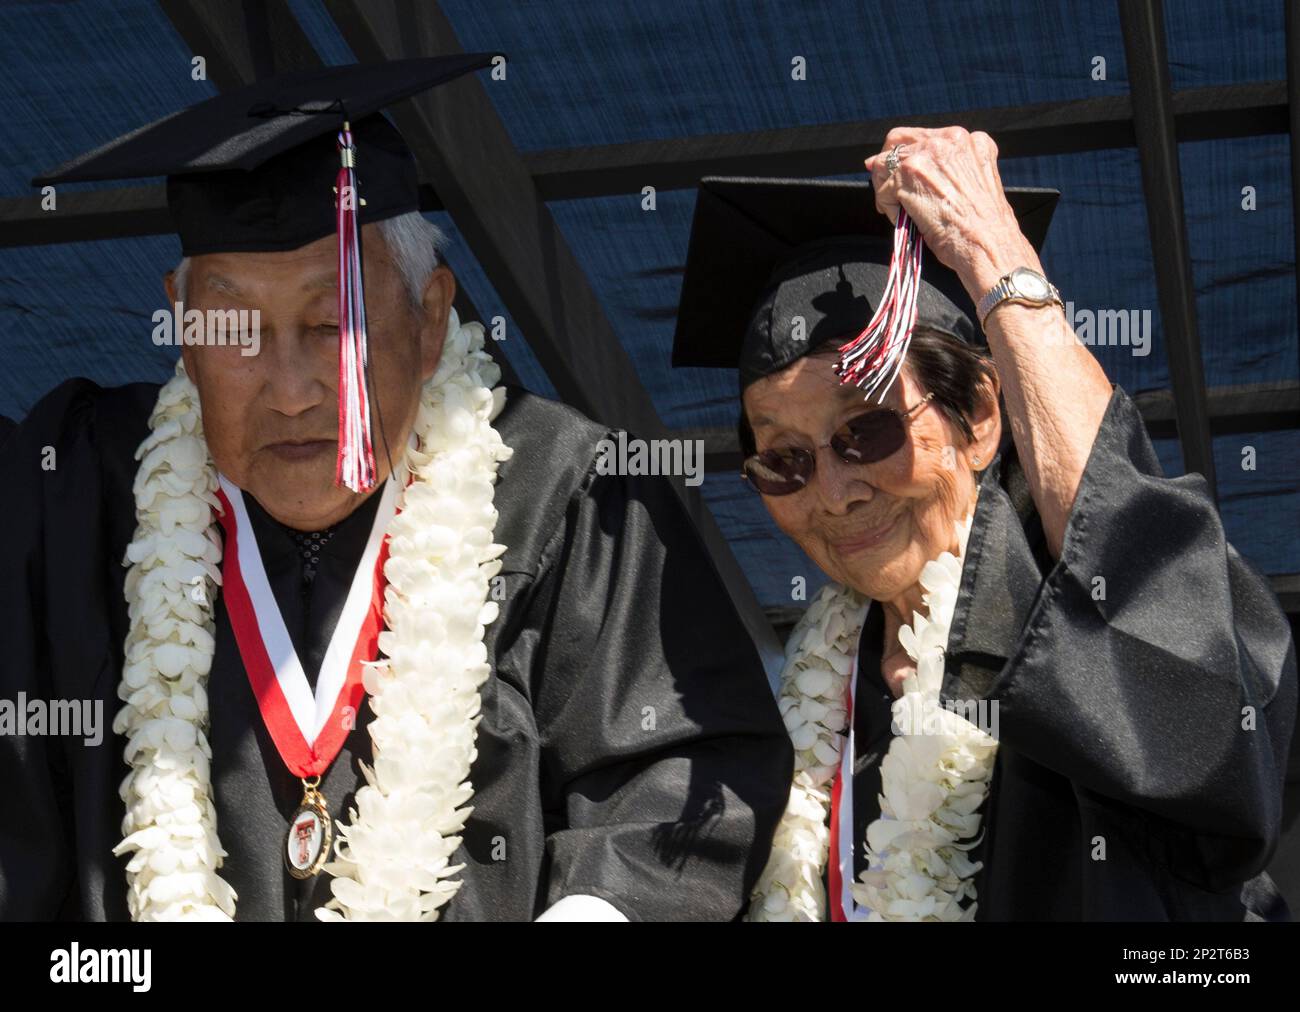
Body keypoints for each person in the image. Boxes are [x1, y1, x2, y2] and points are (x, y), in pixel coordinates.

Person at [0, 57, 791, 922]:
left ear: (428, 318)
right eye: (237, 329)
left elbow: (681, 767)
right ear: (182, 329)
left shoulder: (564, 496)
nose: (293, 388)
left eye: (330, 324)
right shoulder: (81, 489)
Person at [671, 128, 1296, 921]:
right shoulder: (802, 704)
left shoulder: (1076, 621)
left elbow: (1207, 729)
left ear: (977, 418)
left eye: (868, 430)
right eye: (785, 461)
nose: (833, 492)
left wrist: (993, 255)